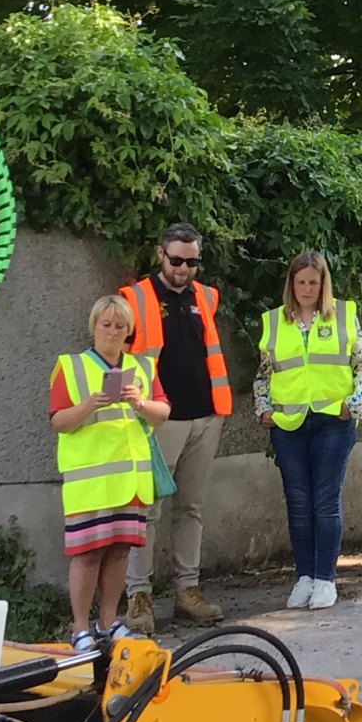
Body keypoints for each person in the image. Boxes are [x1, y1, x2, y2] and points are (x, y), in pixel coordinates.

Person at [120, 222, 231, 635]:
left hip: (206, 414)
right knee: (147, 510)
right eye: (177, 259)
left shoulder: (206, 297)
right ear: (160, 254)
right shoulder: (134, 299)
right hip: (158, 418)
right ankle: (139, 595)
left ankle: (188, 590)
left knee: (192, 507)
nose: (184, 268)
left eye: (192, 261)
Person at [51, 296, 171, 652]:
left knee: (119, 552)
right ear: (94, 327)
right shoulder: (70, 367)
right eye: (107, 325)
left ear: (129, 330)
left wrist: (139, 403)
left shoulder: (143, 367)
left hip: (129, 481)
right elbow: (59, 421)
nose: (114, 332)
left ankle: (107, 623)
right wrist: (91, 403)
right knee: (87, 554)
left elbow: (162, 412)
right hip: (90, 483)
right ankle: (79, 627)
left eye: (120, 326)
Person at [254, 251, 362, 611]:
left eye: (313, 282)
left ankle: (325, 578)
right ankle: (303, 577)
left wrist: (354, 404)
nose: (307, 288)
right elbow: (264, 373)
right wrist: (263, 408)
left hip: (332, 421)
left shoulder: (344, 315)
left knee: (325, 500)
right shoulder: (274, 321)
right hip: (288, 423)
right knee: (298, 502)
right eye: (301, 281)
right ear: (291, 284)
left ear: (324, 284)